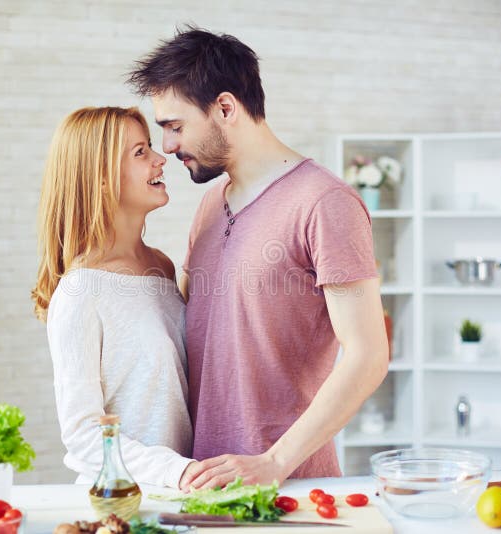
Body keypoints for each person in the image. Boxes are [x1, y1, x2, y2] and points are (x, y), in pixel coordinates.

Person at [128, 28, 389, 490]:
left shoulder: (325, 203)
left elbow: (368, 356)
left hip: (290, 487)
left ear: (225, 108)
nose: (167, 146)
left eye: (174, 126)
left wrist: (272, 462)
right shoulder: (210, 205)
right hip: (203, 485)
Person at [32, 106, 196, 488]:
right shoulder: (80, 292)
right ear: (102, 179)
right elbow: (83, 436)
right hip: (124, 503)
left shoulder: (161, 267)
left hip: (180, 497)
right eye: (141, 153)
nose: (161, 159)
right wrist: (179, 471)